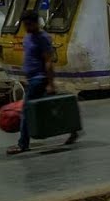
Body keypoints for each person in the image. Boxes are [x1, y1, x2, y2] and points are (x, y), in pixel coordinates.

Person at [8, 11, 78, 155]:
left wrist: (50, 83)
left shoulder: (43, 38)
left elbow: (48, 61)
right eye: (24, 25)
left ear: (36, 23)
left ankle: (23, 144)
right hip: (32, 79)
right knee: (51, 108)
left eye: (29, 24)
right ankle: (73, 130)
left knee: (27, 111)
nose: (26, 27)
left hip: (39, 79)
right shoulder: (28, 37)